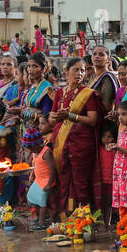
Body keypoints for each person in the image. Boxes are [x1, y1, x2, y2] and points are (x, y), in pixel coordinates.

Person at [48, 57, 100, 218]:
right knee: (63, 178)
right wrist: (54, 117)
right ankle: (64, 216)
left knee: (80, 181)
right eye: (75, 70)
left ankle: (82, 219)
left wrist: (70, 116)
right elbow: (51, 119)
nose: (79, 73)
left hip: (81, 144)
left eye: (83, 70)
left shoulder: (89, 94)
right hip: (61, 142)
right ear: (66, 71)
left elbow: (93, 120)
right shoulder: (59, 92)